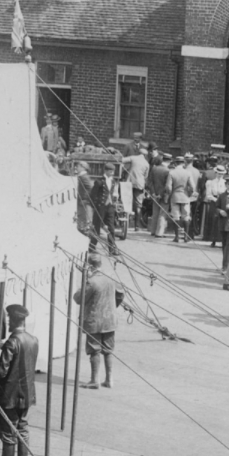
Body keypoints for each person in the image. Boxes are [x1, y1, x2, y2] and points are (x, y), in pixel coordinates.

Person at [0, 304, 39, 456]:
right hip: (27, 394)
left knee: (7, 432)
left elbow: (2, 371)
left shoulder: (12, 342)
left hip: (11, 395)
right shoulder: (33, 339)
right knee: (22, 429)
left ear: (12, 320)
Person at [75, 254, 123, 389]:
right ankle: (109, 379)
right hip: (110, 321)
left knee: (94, 350)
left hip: (94, 321)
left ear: (90, 266)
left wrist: (85, 280)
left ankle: (94, 380)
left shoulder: (92, 281)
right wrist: (112, 306)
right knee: (108, 350)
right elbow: (120, 294)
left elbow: (78, 298)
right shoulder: (111, 278)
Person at [167, 154, 197, 242]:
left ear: (175, 163)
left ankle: (176, 237)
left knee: (175, 217)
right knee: (186, 217)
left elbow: (168, 187)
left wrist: (170, 194)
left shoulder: (171, 172)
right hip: (185, 196)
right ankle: (186, 237)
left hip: (175, 196)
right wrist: (189, 194)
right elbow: (193, 187)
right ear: (183, 163)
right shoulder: (188, 173)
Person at [123, 144, 150, 230]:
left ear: (139, 153)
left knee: (126, 201)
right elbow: (146, 176)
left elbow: (122, 160)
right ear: (145, 155)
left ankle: (124, 223)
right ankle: (137, 226)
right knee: (138, 205)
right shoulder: (146, 164)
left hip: (129, 182)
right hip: (140, 185)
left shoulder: (133, 158)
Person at [200, 162, 228, 242]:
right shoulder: (210, 182)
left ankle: (220, 238)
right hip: (214, 202)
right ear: (215, 173)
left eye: (222, 174)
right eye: (219, 174)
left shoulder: (225, 183)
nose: (220, 175)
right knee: (213, 219)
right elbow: (208, 195)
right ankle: (211, 238)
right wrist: (216, 200)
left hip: (223, 202)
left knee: (222, 219)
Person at [148, 154, 171, 238]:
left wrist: (153, 193)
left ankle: (153, 231)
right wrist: (160, 194)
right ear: (169, 161)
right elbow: (166, 185)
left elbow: (150, 182)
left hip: (154, 194)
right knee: (162, 213)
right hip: (163, 196)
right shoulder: (168, 171)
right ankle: (159, 233)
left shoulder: (154, 168)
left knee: (155, 213)